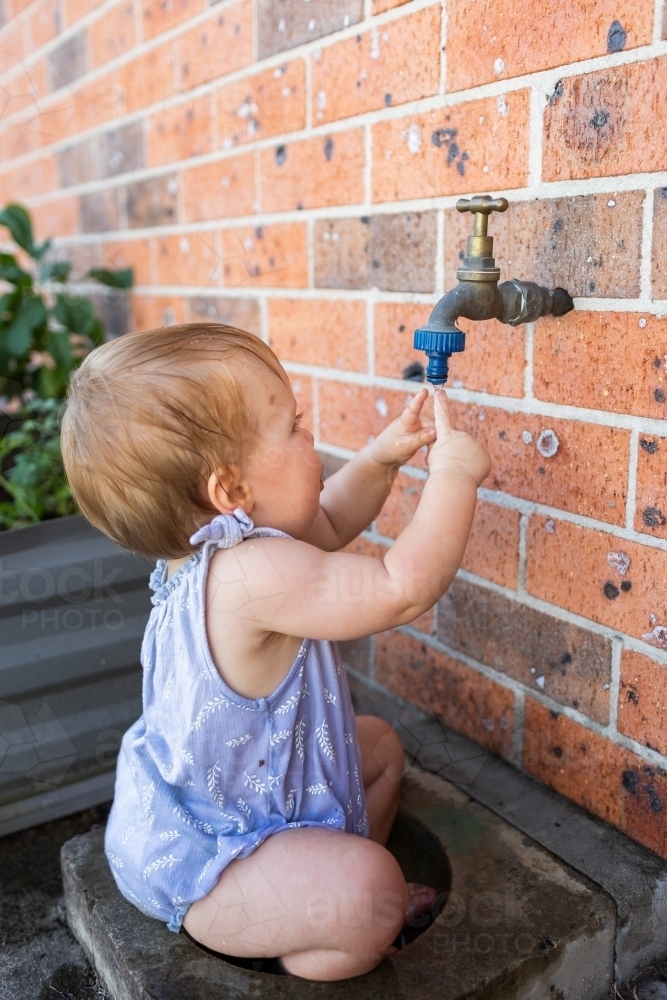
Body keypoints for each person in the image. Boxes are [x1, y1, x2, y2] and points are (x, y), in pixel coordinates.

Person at [61, 323, 490, 981]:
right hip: (213, 857)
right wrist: (455, 478)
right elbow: (399, 589)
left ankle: (315, 890)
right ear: (230, 492)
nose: (308, 432)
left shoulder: (205, 551)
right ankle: (306, 940)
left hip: (236, 793)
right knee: (372, 889)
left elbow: (325, 523)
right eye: (292, 426)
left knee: (377, 750)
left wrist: (379, 460)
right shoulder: (250, 577)